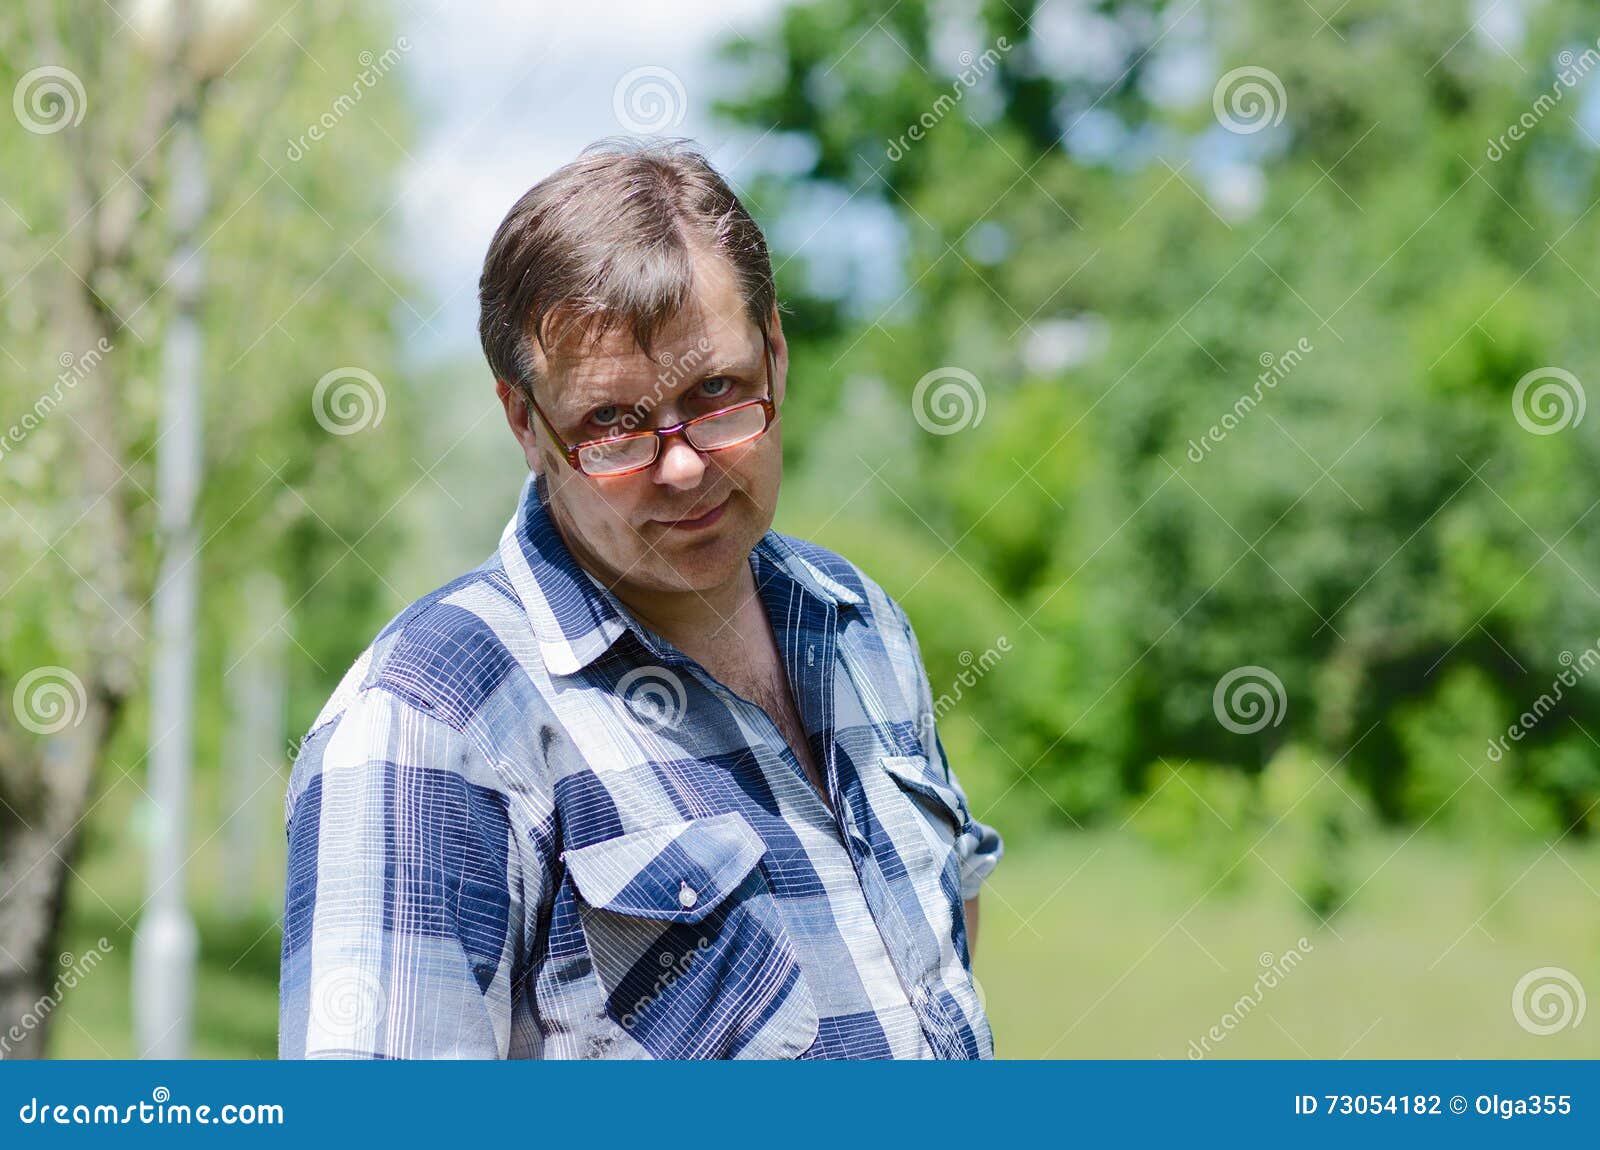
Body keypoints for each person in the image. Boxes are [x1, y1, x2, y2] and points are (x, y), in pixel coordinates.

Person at [278, 138, 1003, 1059]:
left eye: (718, 391)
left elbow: (943, 943)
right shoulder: (428, 724)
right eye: (614, 423)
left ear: (776, 353)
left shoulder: (857, 622)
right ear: (524, 424)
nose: (685, 464)